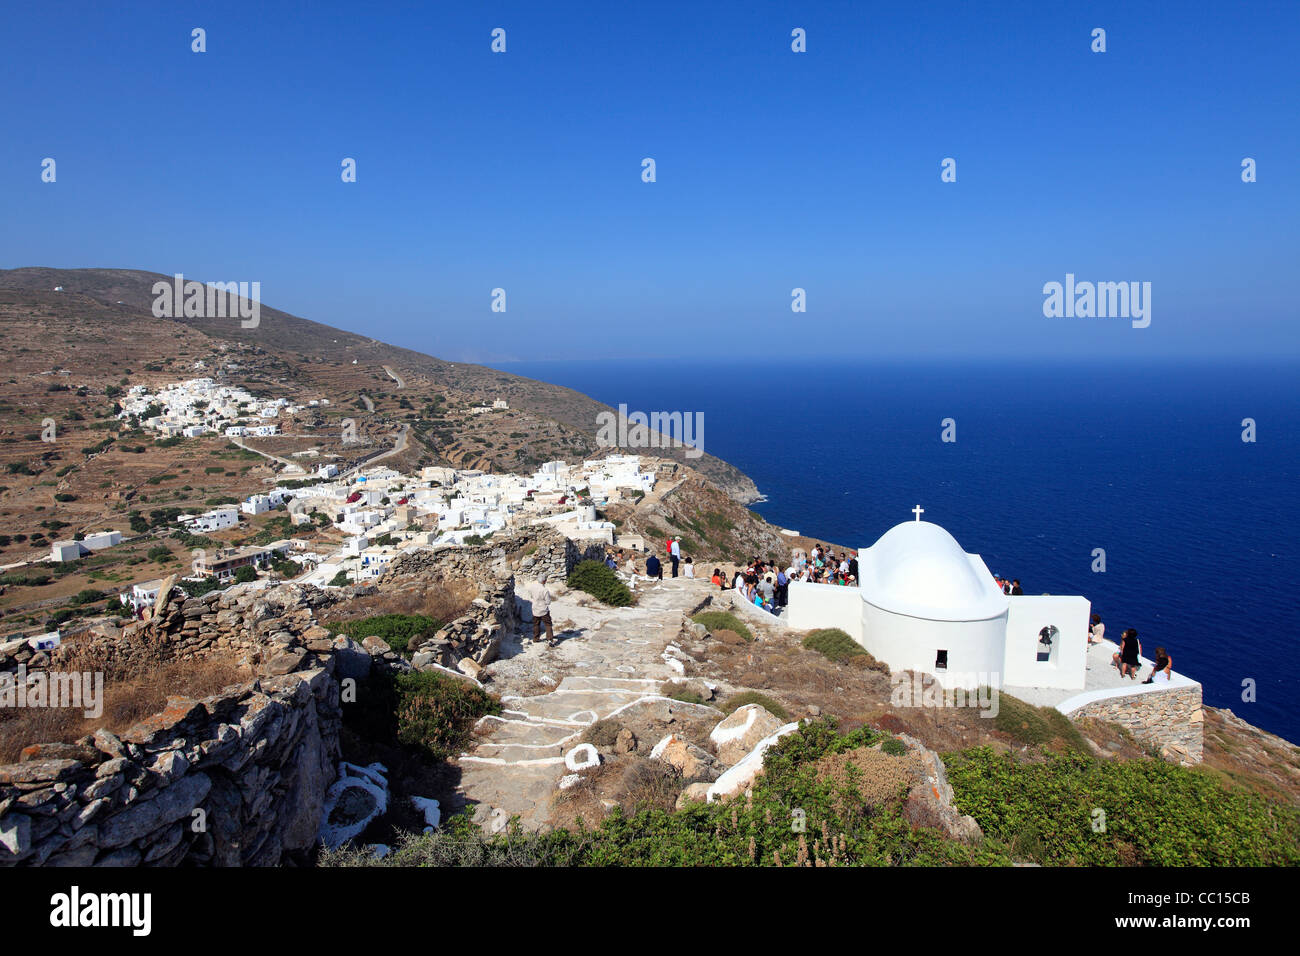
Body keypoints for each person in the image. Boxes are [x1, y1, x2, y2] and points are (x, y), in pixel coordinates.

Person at [528, 573, 555, 645]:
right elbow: (548, 602)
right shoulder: (544, 590)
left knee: (536, 624)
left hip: (535, 608)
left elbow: (531, 596)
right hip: (543, 609)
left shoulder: (532, 587)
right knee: (548, 624)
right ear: (544, 581)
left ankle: (536, 638)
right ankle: (549, 639)